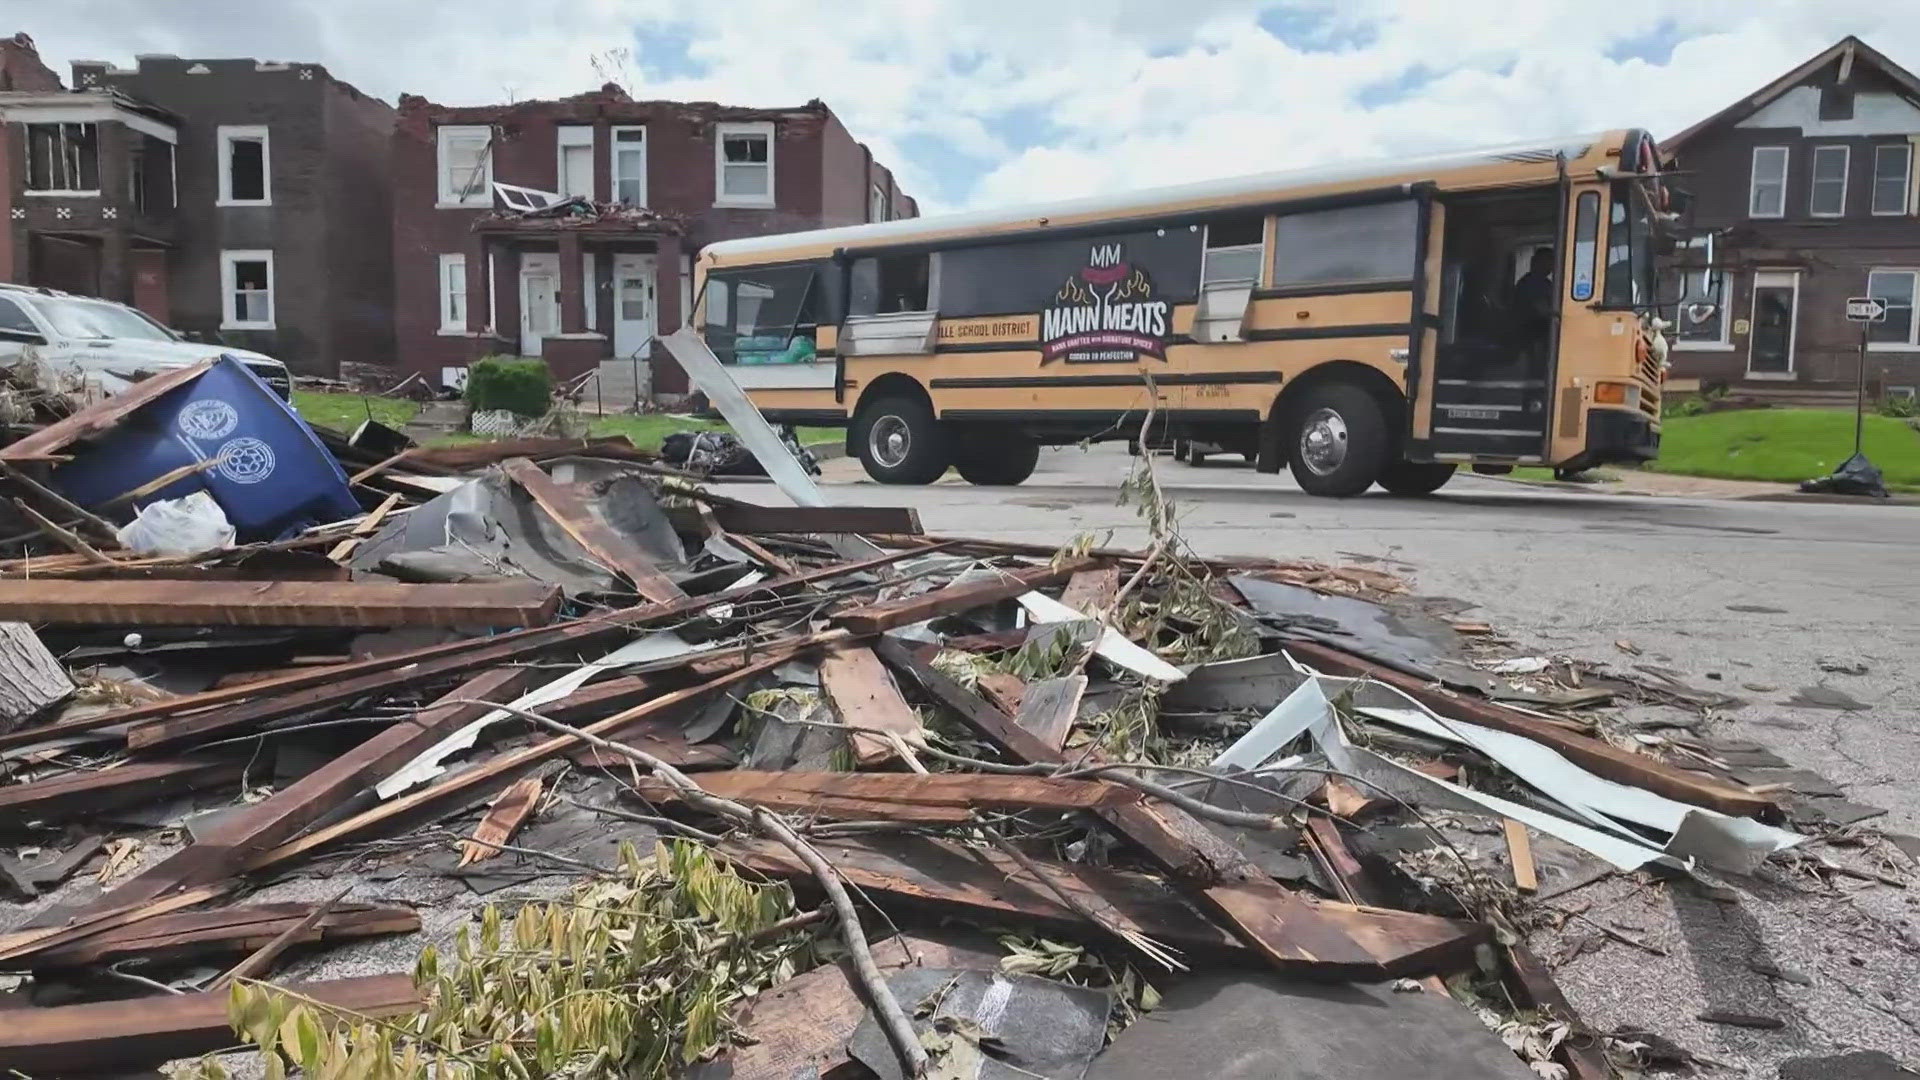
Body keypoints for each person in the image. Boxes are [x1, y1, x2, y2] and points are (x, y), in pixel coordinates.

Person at [1510, 248, 1556, 358]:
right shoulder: (1531, 283)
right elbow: (1542, 309)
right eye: (1548, 260)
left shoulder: (1546, 283)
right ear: (1536, 261)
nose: (1551, 264)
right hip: (1531, 332)